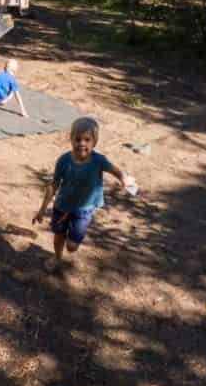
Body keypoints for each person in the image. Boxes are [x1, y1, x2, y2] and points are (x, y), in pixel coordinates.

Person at [33, 116, 134, 273]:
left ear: (95, 142)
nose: (82, 143)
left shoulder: (98, 161)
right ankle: (57, 257)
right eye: (78, 139)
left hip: (84, 209)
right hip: (62, 206)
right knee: (59, 235)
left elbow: (114, 169)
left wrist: (124, 179)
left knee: (72, 247)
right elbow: (54, 184)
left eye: (87, 140)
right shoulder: (63, 161)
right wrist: (42, 209)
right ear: (71, 139)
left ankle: (72, 238)